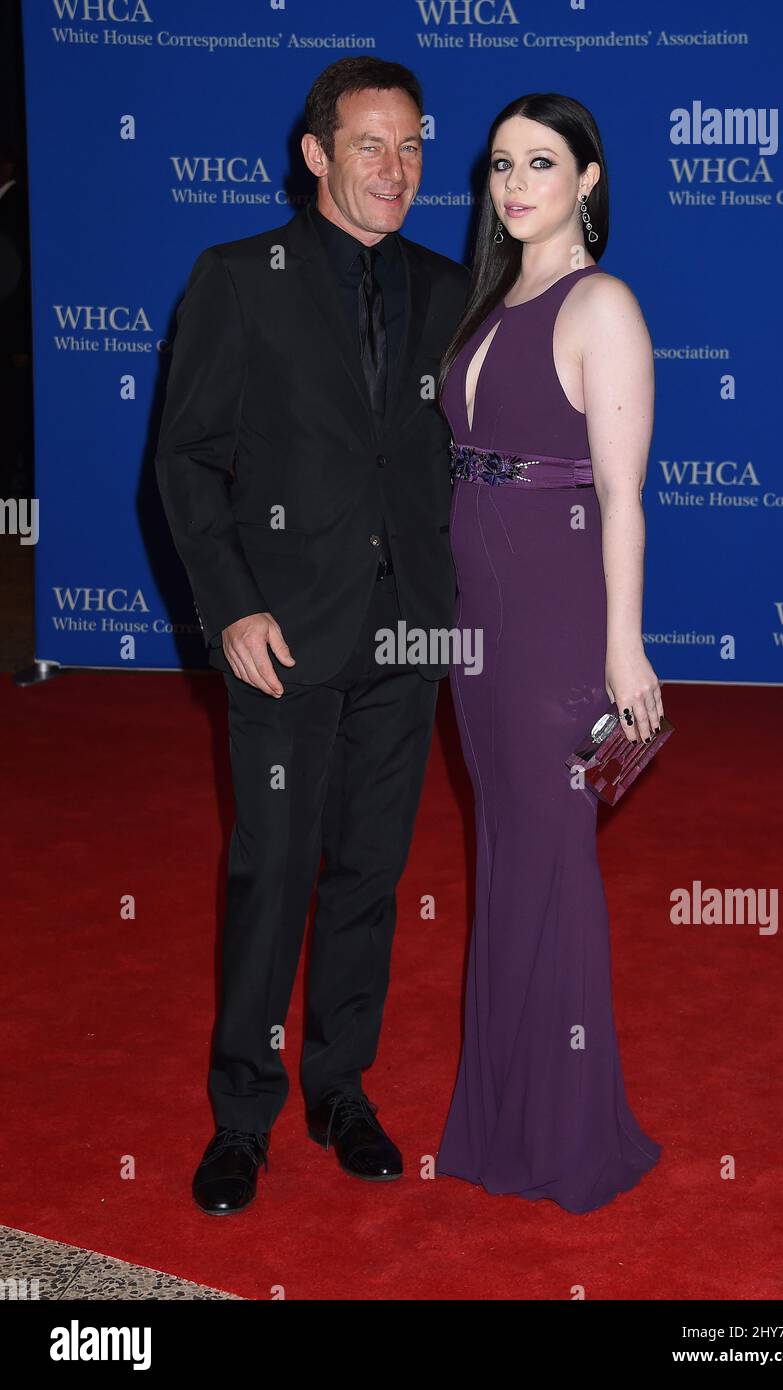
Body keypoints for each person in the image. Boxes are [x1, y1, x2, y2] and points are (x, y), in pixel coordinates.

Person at [155, 57, 469, 1215]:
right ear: (316, 154)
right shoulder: (241, 279)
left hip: (408, 639)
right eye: (370, 146)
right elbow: (185, 462)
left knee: (370, 872)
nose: (395, 170)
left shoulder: (448, 287)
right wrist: (232, 603)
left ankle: (340, 1087)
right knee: (273, 869)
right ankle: (243, 1110)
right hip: (281, 634)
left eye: (411, 147)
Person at [435, 93, 663, 1213]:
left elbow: (620, 494)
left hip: (555, 622)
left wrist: (623, 652)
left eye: (539, 163)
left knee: (551, 860)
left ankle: (569, 1139)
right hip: (477, 624)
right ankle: (498, 1120)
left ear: (587, 180)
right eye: (497, 166)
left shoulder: (599, 302)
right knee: (507, 858)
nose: (513, 183)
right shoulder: (492, 297)